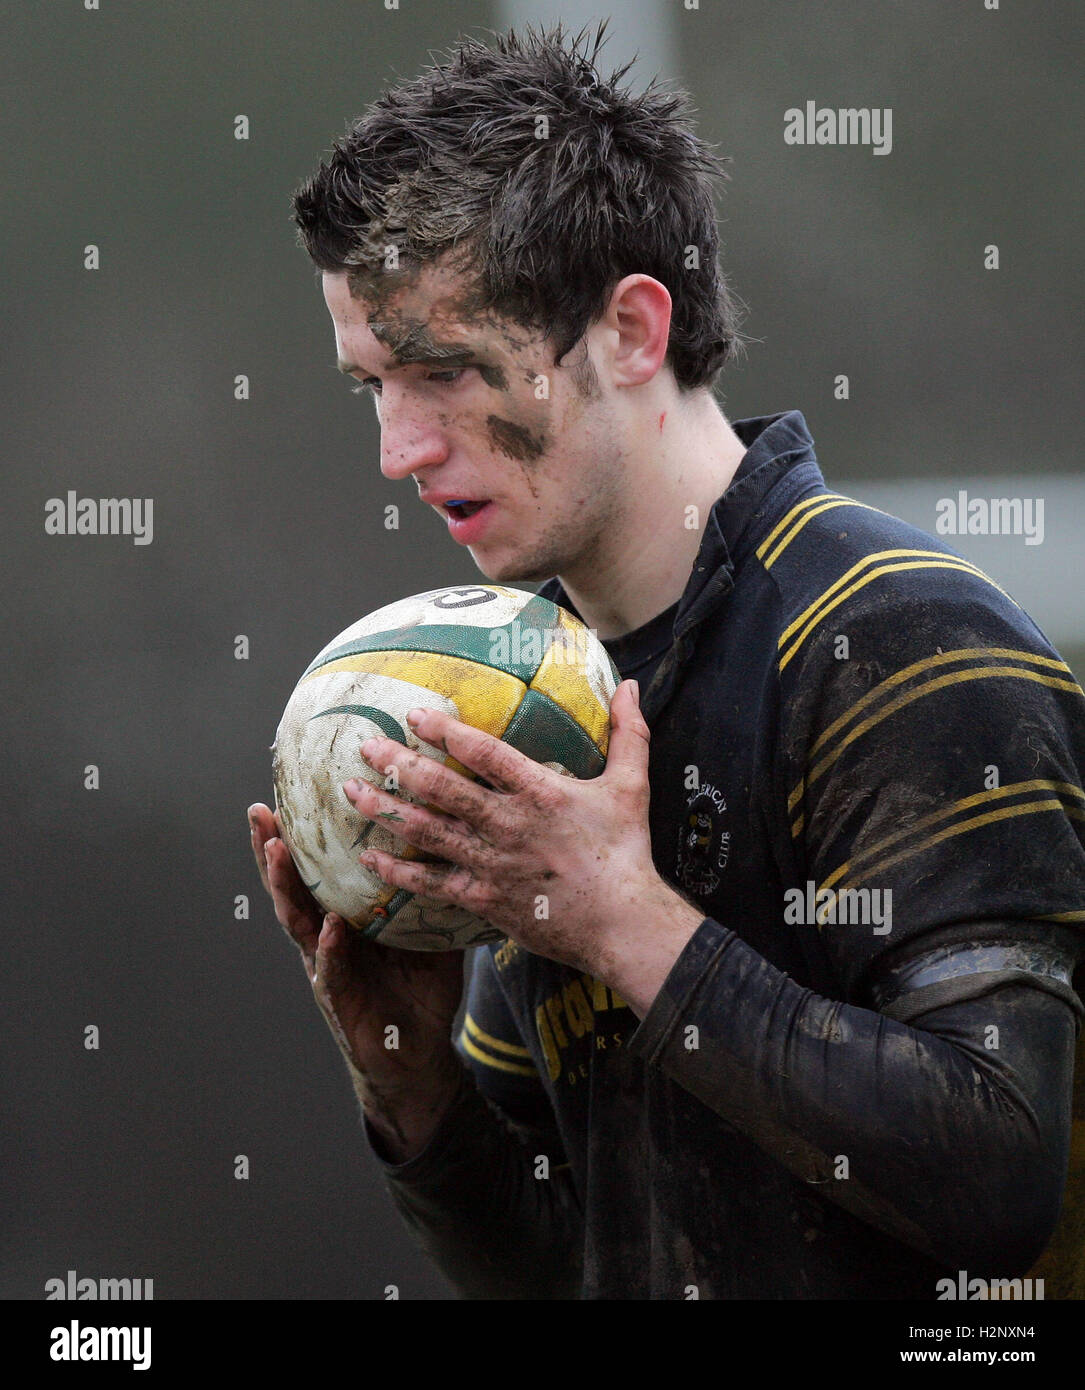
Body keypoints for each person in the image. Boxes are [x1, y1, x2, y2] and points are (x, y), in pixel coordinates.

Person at [247, 23, 1085, 1299]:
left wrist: (618, 919)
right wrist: (413, 1088)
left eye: (440, 371)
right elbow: (557, 1268)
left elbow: (999, 1178)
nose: (397, 449)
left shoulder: (896, 636)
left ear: (632, 327)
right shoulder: (532, 702)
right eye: (370, 384)